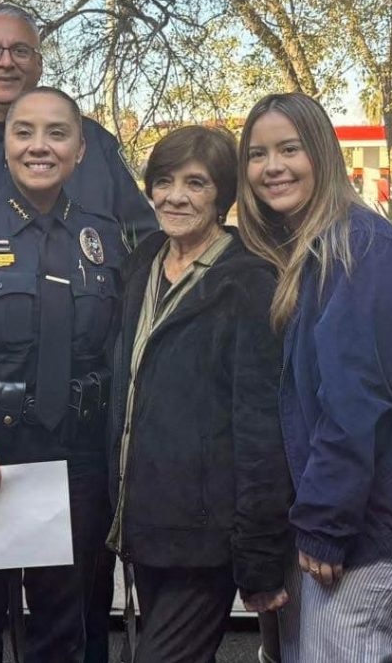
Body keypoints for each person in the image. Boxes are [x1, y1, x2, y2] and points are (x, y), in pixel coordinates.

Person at [0, 4, 151, 660]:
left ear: (81, 148)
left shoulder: (104, 236)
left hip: (77, 461)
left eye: (57, 134)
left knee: (70, 634)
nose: (40, 146)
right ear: (4, 145)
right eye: (25, 134)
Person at [236, 92, 392, 663]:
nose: (272, 167)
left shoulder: (359, 247)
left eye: (290, 149)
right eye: (258, 154)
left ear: (324, 155)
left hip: (375, 521)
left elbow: (355, 402)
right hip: (352, 512)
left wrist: (325, 523)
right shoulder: (306, 247)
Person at [105, 126, 292, 663]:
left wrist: (259, 555)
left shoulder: (248, 282)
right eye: (164, 181)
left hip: (204, 535)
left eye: (196, 183)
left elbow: (260, 426)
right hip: (142, 524)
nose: (176, 196)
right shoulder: (140, 265)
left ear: (223, 195)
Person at [0, 2, 157, 245]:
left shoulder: (96, 145)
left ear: (39, 64)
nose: (6, 62)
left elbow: (144, 245)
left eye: (20, 51)